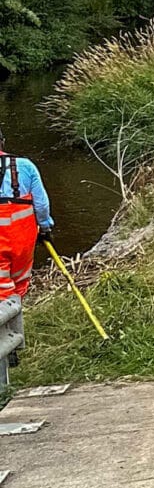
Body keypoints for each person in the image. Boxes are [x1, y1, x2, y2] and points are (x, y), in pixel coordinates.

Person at [0, 128, 54, 365]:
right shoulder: (25, 166)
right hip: (22, 240)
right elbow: (41, 204)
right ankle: (14, 345)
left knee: (1, 289)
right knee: (17, 288)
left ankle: (8, 348)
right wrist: (45, 227)